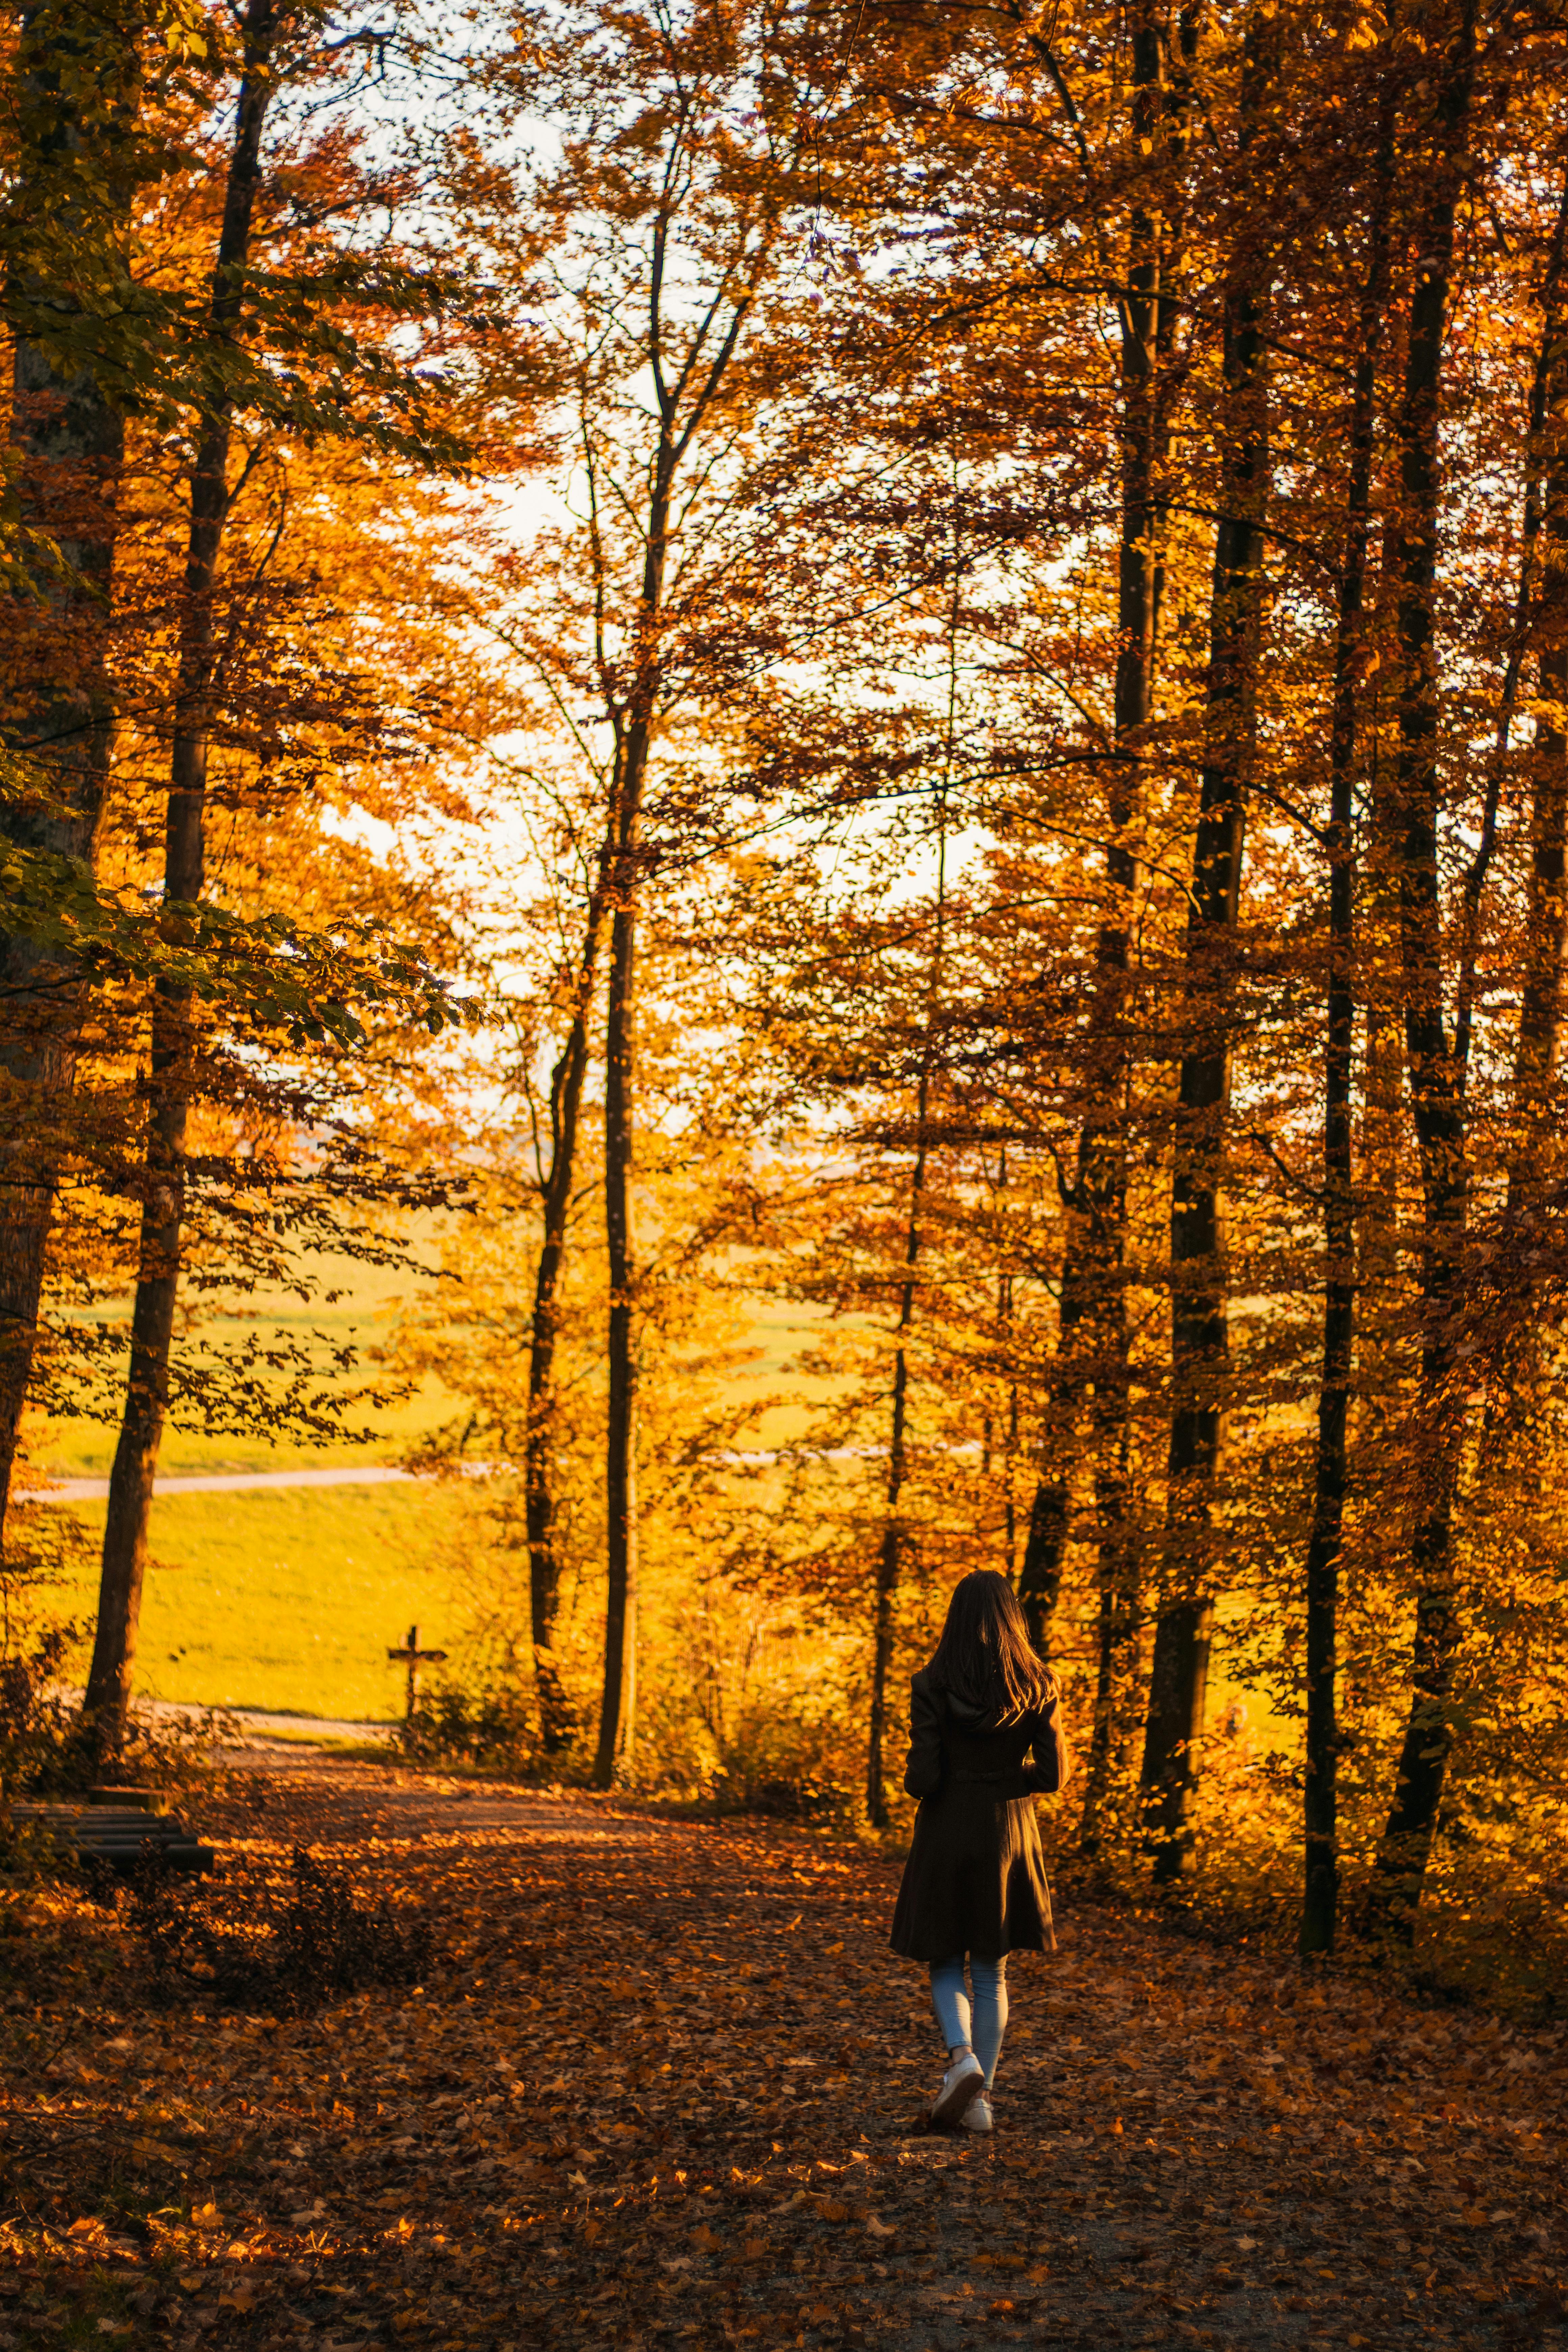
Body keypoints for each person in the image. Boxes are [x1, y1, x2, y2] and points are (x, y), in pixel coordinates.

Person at [890, 1569, 1072, 2134]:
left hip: (947, 1831)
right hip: (1008, 1837)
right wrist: (999, 1778)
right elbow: (1054, 1774)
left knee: (945, 1959)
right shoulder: (1039, 1684)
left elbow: (923, 1779)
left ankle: (961, 2058)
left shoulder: (931, 1683)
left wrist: (950, 1775)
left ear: (956, 1619)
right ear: (1012, 1617)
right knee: (992, 1973)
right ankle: (981, 2102)